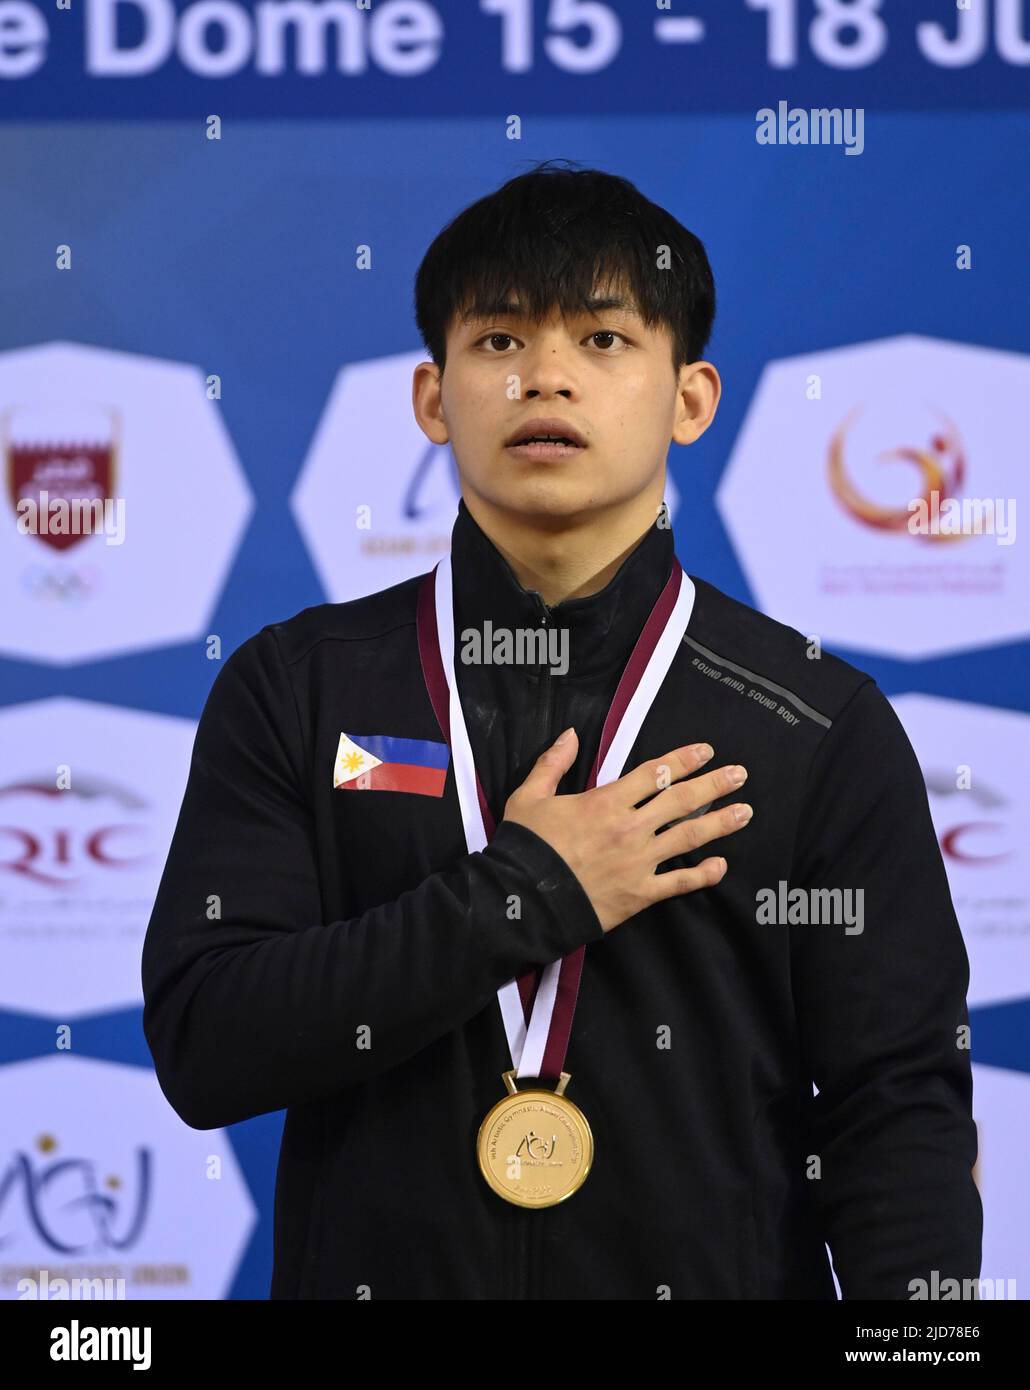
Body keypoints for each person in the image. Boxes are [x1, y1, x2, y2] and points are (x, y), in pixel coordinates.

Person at [142, 159, 982, 1300]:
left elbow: (897, 1111)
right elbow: (209, 1044)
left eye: (601, 339)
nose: (544, 376)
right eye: (497, 341)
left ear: (690, 397)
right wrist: (526, 892)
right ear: (432, 398)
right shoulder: (298, 687)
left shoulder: (814, 718)